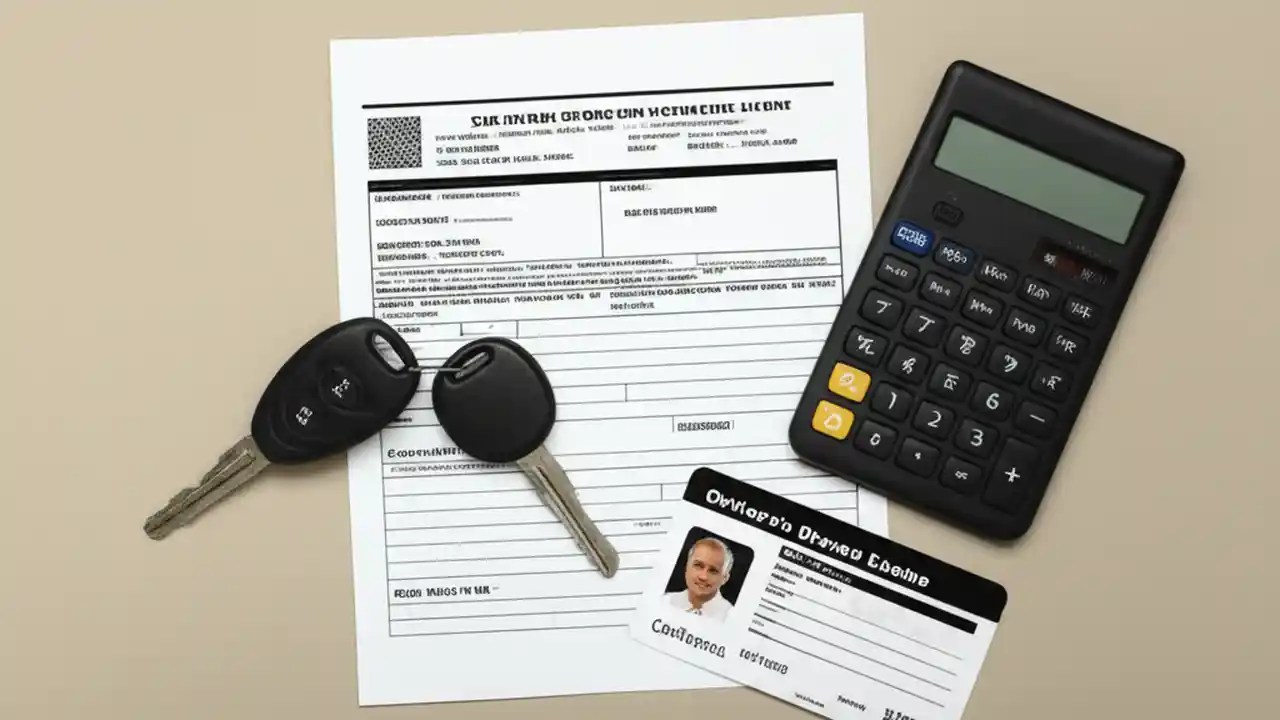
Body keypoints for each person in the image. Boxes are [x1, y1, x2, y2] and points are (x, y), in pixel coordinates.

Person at [665, 536, 734, 622]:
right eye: (698, 565)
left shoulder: (732, 618)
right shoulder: (664, 601)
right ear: (687, 565)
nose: (703, 577)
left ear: (725, 578)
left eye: (713, 571)